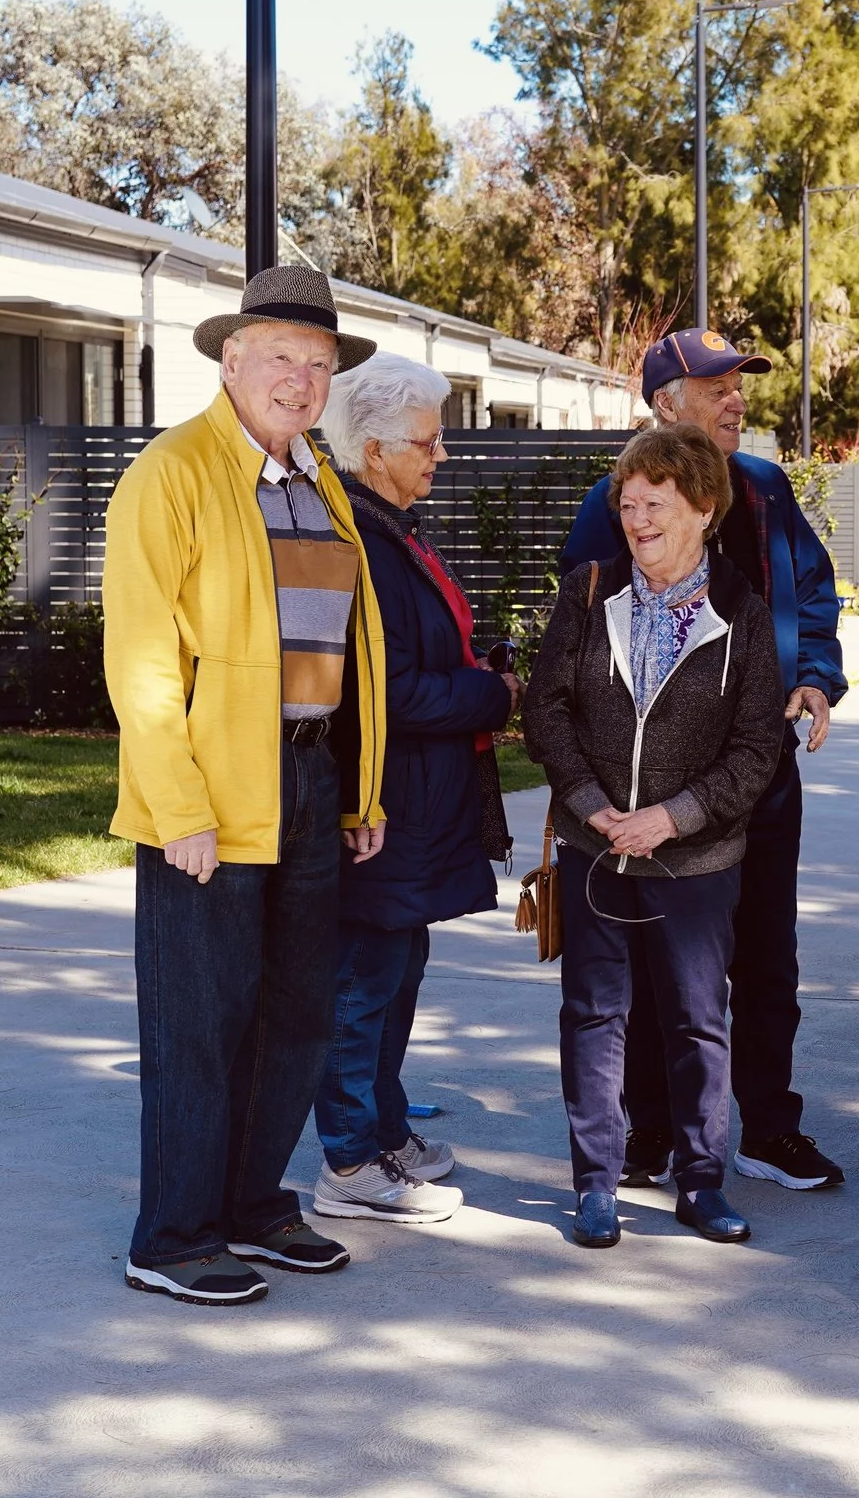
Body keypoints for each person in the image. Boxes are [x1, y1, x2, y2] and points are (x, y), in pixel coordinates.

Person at [104, 266, 387, 1305]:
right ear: (232, 359)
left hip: (306, 777)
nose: (302, 379)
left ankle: (253, 1206)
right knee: (202, 1022)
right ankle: (173, 1235)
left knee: (296, 1016)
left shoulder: (317, 482)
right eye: (281, 357)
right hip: (212, 791)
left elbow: (345, 651)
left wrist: (356, 793)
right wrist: (177, 808)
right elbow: (139, 659)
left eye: (319, 364)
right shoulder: (171, 473)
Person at [559, 329, 846, 1193]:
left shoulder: (764, 490)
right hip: (658, 791)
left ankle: (767, 1125)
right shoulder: (612, 505)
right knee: (658, 965)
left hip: (761, 776)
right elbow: (582, 643)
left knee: (766, 957)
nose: (736, 398)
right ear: (665, 403)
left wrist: (817, 677)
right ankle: (651, 1133)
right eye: (715, 385)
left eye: (739, 384)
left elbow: (815, 596)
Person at [526, 423, 786, 1248]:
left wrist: (675, 817)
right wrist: (591, 803)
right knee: (595, 1016)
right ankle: (596, 1186)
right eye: (628, 504)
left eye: (656, 504)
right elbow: (545, 708)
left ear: (703, 508)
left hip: (697, 858)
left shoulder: (741, 611)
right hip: (596, 844)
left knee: (696, 1018)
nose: (637, 520)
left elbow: (757, 749)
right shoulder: (588, 589)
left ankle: (702, 1180)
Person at [307, 353, 519, 1227]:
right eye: (426, 442)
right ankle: (350, 1162)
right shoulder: (364, 540)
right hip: (384, 802)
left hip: (416, 802)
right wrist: (492, 694)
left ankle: (382, 1130)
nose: (439, 456)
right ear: (376, 448)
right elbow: (385, 690)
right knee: (364, 980)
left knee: (397, 969)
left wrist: (476, 670)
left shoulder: (392, 528)